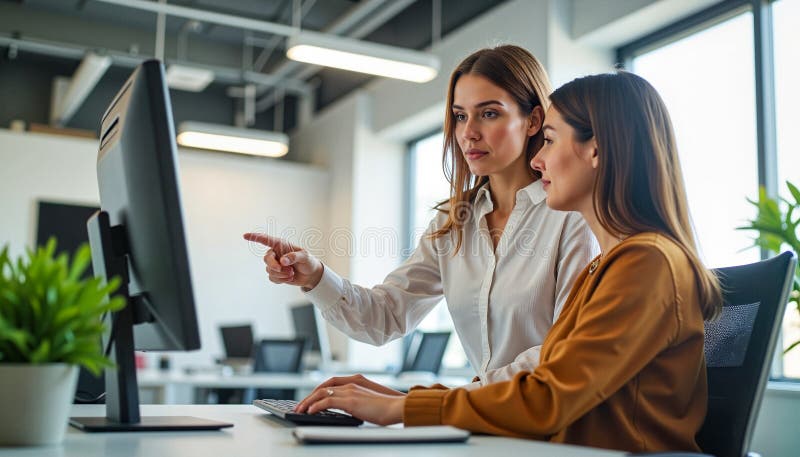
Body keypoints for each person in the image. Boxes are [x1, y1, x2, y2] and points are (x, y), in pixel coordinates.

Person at [294, 71, 723, 454]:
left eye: (550, 140)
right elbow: (550, 389)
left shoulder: (645, 263)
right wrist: (401, 402)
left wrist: (404, 406)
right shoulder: (617, 264)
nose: (539, 159)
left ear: (597, 150)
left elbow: (547, 396)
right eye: (460, 116)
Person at [244, 45, 597, 386]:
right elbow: (385, 317)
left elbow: (563, 353)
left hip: (553, 434)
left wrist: (446, 403)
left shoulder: (572, 218)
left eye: (489, 113)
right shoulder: (453, 225)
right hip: (484, 431)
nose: (468, 133)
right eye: (460, 116)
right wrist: (315, 276)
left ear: (533, 120)